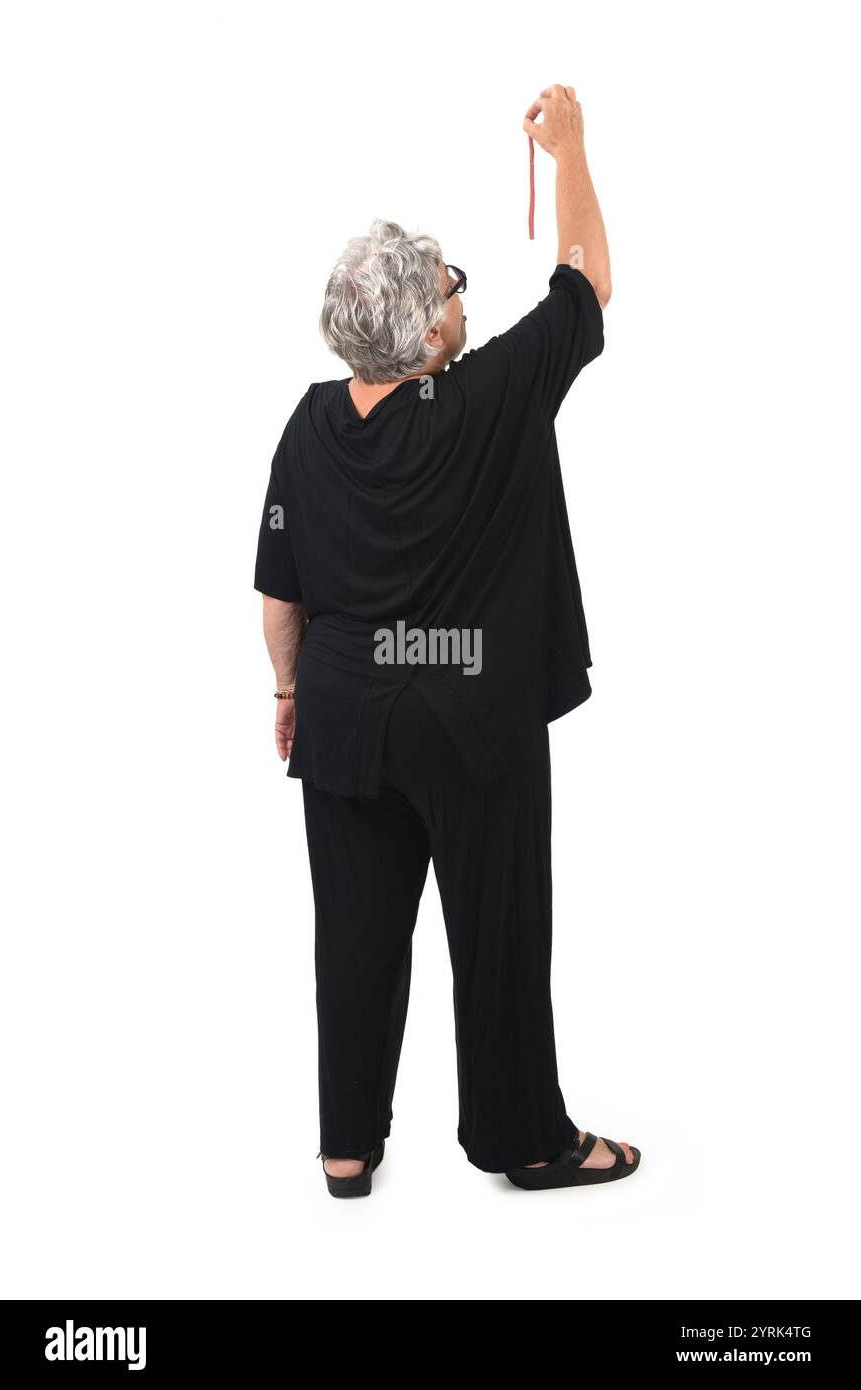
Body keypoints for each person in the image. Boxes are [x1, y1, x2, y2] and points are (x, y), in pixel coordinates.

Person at [255, 84, 641, 1197]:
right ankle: (522, 1137)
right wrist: (567, 149)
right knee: (499, 931)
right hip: (470, 720)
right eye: (451, 288)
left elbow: (278, 589)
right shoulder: (487, 399)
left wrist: (289, 693)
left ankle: (346, 1144)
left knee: (354, 937)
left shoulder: (310, 420)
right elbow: (585, 279)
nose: (462, 299)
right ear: (424, 328)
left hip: (337, 714)